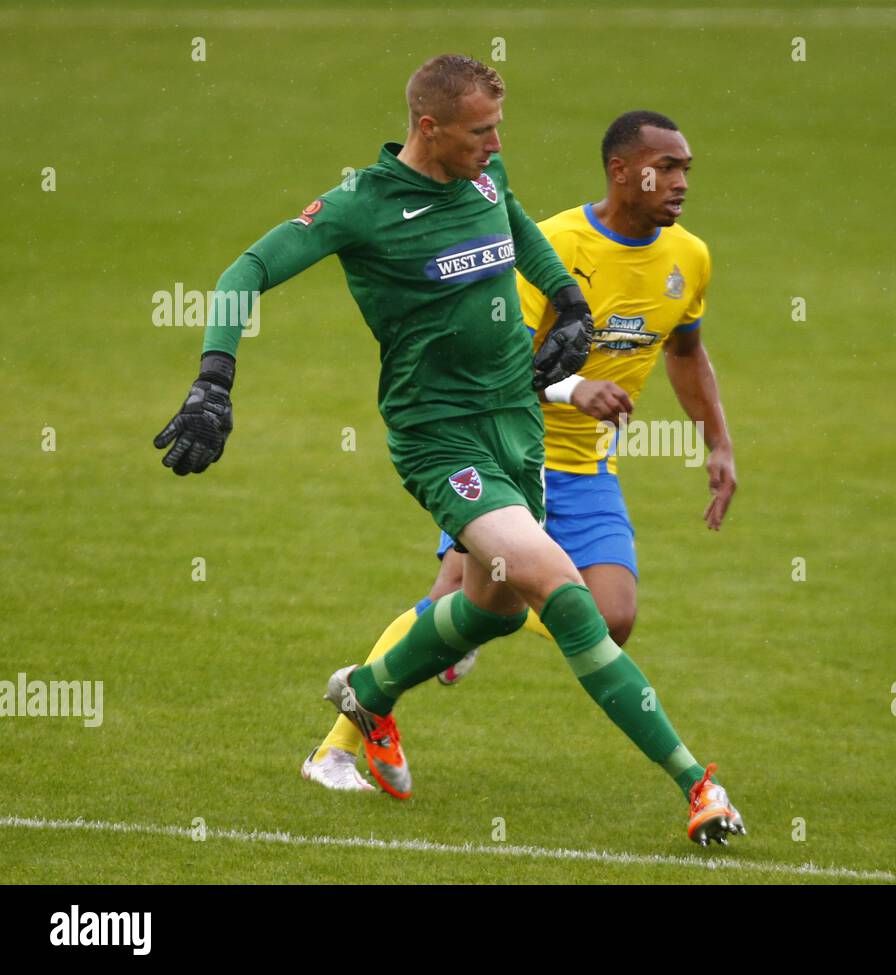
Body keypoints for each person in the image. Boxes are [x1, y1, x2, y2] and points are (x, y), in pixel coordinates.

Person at [154, 56, 743, 846]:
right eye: (480, 131)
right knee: (561, 590)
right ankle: (697, 783)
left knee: (495, 610)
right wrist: (214, 379)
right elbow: (244, 272)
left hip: (516, 432)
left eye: (499, 128)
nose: (496, 145)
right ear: (428, 127)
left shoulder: (484, 181)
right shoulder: (359, 207)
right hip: (440, 439)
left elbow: (521, 226)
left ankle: (369, 691)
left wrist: (567, 300)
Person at [306, 112, 738, 806]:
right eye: (669, 166)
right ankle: (336, 747)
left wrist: (716, 440)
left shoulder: (689, 257)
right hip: (508, 449)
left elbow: (686, 350)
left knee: (612, 616)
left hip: (590, 467)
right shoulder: (554, 243)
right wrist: (573, 386)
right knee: (454, 596)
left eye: (689, 167)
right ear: (621, 171)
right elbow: (499, 357)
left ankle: (475, 627)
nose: (682, 182)